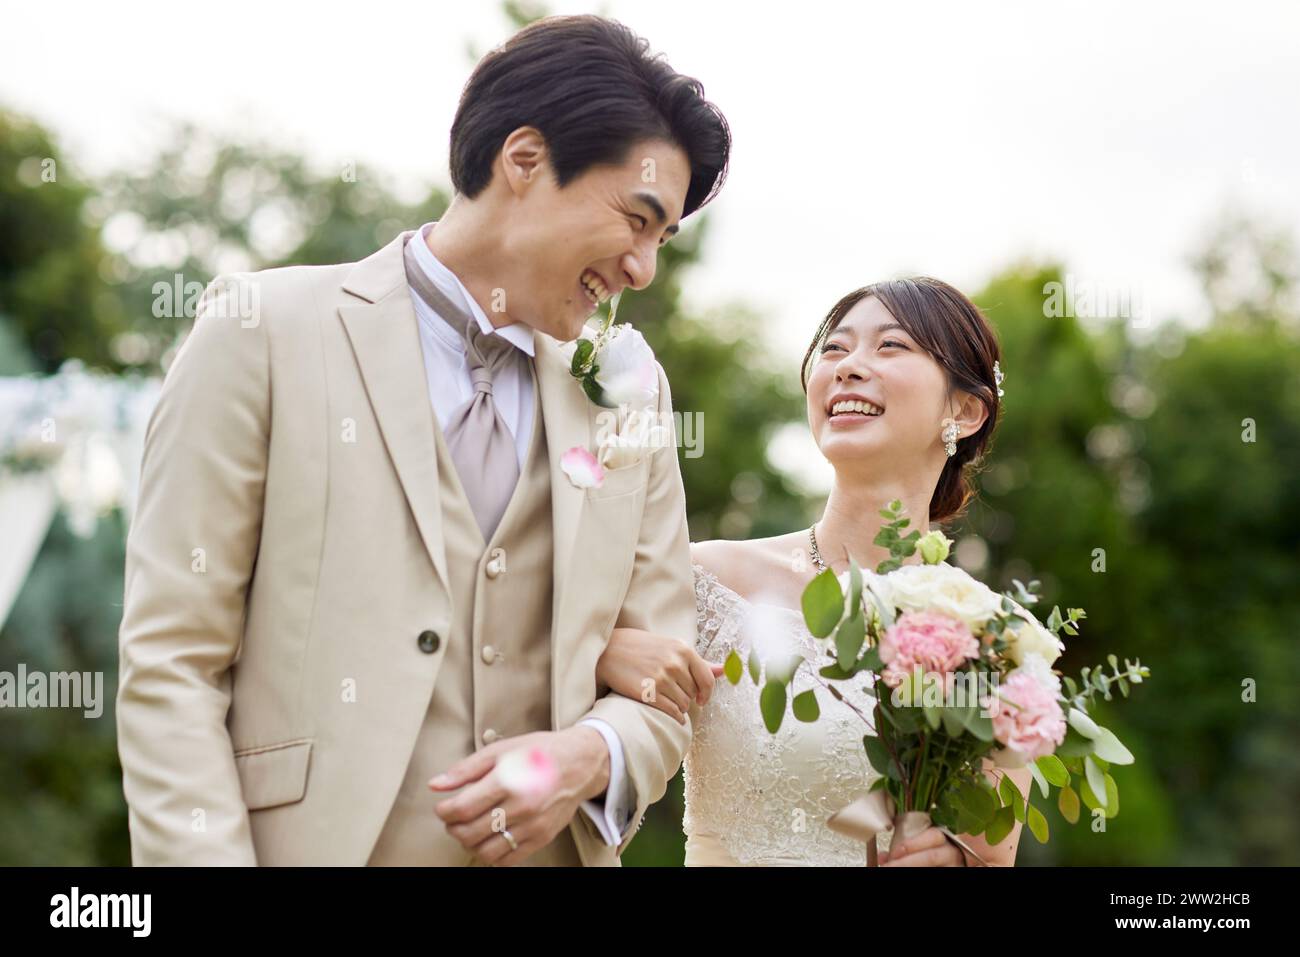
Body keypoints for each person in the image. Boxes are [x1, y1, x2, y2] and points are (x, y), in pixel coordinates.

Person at [115, 14, 730, 866]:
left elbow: (665, 685)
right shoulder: (261, 330)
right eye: (638, 218)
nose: (643, 267)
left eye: (662, 240)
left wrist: (587, 754)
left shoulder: (632, 395)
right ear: (524, 159)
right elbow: (172, 664)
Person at [595, 277, 1035, 865]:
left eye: (891, 346)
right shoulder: (706, 578)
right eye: (834, 348)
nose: (850, 366)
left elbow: (989, 854)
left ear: (965, 410)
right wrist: (603, 651)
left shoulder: (998, 640)